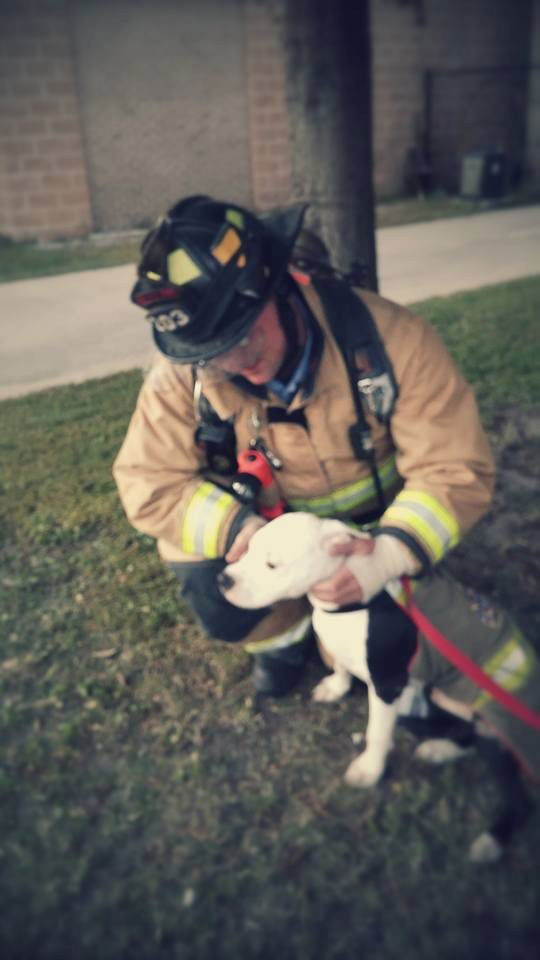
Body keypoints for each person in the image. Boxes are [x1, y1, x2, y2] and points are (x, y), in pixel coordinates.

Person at [113, 193, 497, 698]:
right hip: (264, 535)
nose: (238, 365)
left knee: (401, 651)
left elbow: (454, 466)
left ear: (282, 286)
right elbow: (148, 481)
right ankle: (285, 637)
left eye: (246, 338)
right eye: (214, 355)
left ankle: (362, 609)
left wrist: (384, 557)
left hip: (372, 530)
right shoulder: (183, 377)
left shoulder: (393, 340)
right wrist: (239, 530)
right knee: (202, 572)